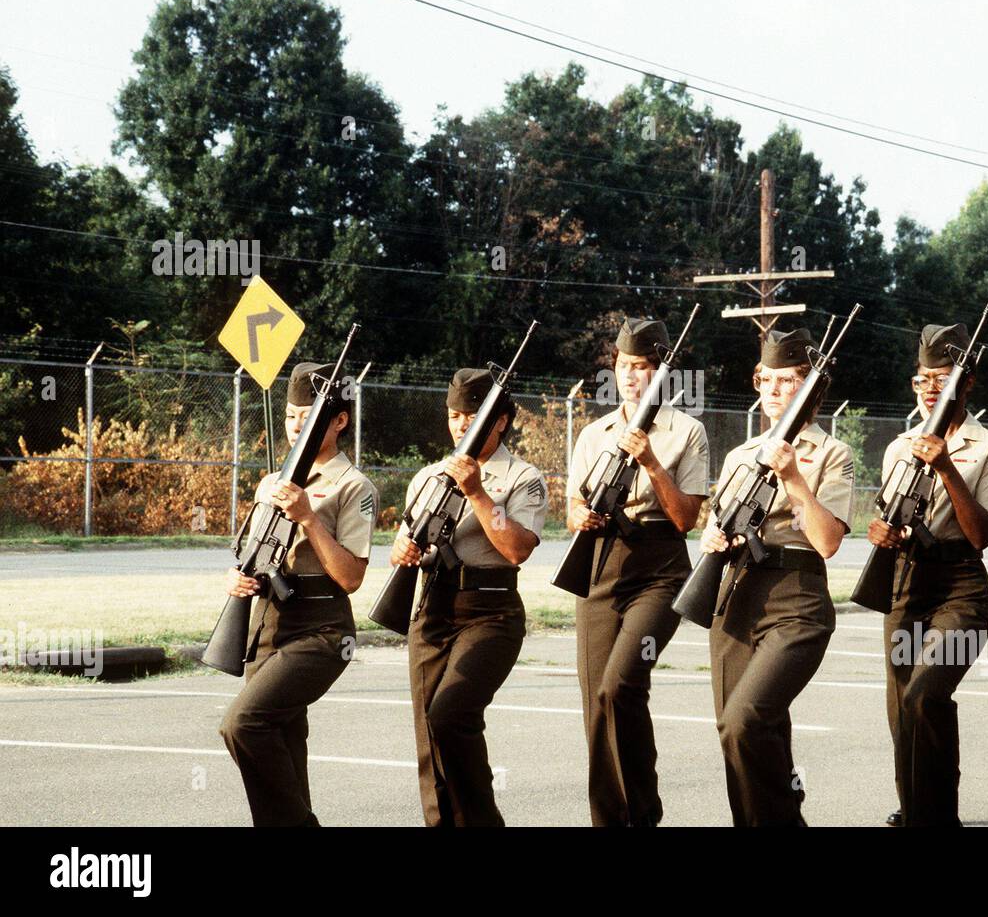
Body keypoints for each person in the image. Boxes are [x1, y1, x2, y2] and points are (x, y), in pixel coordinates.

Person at [699, 327, 853, 826]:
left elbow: (827, 541)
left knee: (747, 721)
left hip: (797, 599)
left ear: (808, 388)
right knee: (735, 728)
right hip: (737, 596)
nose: (772, 388)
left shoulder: (832, 454)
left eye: (786, 380)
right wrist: (711, 539)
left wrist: (793, 478)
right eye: (765, 378)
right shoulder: (740, 455)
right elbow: (715, 524)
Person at [220, 361, 378, 826]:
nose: (295, 425)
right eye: (290, 415)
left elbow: (351, 577)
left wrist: (309, 517)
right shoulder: (272, 482)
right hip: (266, 624)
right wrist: (235, 579)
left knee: (242, 725)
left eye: (307, 416)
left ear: (339, 421)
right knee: (284, 749)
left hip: (321, 629)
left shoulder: (355, 487)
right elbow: (249, 553)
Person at [566, 317, 709, 826]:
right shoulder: (593, 434)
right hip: (601, 563)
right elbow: (572, 507)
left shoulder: (686, 432)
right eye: (625, 366)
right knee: (595, 704)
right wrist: (579, 516)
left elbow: (687, 518)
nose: (632, 377)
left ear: (661, 374)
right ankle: (608, 818)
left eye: (643, 367)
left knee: (620, 685)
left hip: (660, 566)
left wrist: (650, 462)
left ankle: (643, 814)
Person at [392, 368, 547, 826]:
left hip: (491, 612)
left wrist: (477, 492)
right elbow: (406, 540)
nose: (461, 424)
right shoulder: (427, 476)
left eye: (472, 415)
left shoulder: (522, 476)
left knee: (451, 714)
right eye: (454, 415)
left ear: (498, 421)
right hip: (433, 606)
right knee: (429, 736)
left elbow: (517, 549)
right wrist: (402, 548)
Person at [870, 323, 988, 826]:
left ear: (966, 383)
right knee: (902, 708)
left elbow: (980, 536)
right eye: (923, 378)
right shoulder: (898, 445)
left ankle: (934, 815)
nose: (931, 387)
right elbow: (894, 517)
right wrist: (883, 532)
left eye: (943, 377)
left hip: (961, 589)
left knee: (926, 692)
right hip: (907, 584)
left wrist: (948, 468)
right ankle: (918, 806)